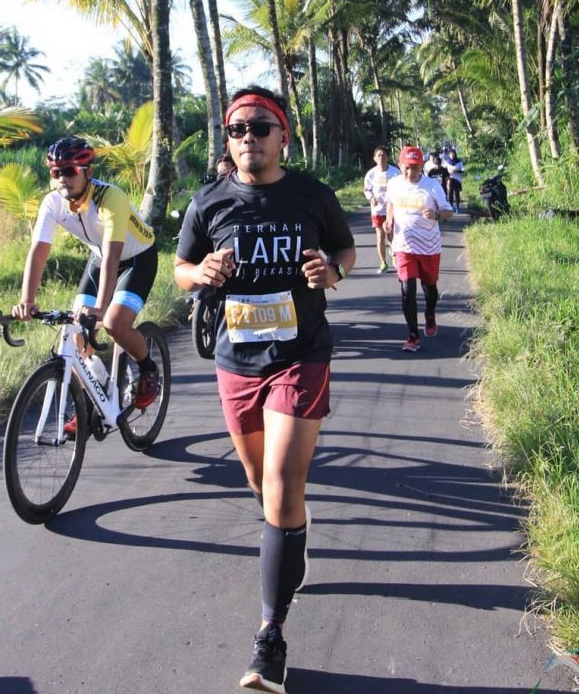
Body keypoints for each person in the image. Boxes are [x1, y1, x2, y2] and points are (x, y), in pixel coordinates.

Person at [174, 85, 355, 694]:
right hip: (237, 362)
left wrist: (333, 271)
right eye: (236, 129)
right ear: (228, 141)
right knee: (261, 486)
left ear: (282, 135)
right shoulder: (208, 201)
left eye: (259, 126)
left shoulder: (311, 195)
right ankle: (292, 541)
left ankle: (270, 637)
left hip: (300, 355)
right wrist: (199, 274)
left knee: (280, 482)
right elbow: (181, 269)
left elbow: (346, 249)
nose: (247, 137)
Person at [11, 136, 160, 414]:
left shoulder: (110, 197)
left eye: (69, 171)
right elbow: (39, 251)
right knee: (73, 330)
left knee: (115, 323)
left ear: (88, 173)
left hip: (136, 258)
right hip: (100, 258)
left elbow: (114, 256)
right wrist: (27, 300)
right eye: (56, 173)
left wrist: (101, 308)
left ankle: (148, 368)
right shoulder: (53, 202)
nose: (62, 179)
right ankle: (93, 400)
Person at [385, 145, 453, 352]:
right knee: (407, 289)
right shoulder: (394, 184)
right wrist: (388, 223)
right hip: (404, 245)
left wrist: (437, 215)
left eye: (415, 168)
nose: (410, 172)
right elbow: (390, 204)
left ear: (421, 166)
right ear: (399, 165)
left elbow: (448, 211)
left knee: (429, 287)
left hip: (429, 246)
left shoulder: (432, 186)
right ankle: (413, 335)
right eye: (406, 167)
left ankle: (430, 313)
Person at [363, 145, 401, 273]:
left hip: (392, 209)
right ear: (374, 158)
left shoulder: (395, 172)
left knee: (392, 235)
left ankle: (395, 256)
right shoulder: (371, 174)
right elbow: (367, 189)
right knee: (380, 237)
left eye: (383, 155)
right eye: (378, 155)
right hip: (378, 210)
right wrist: (371, 198)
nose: (381, 157)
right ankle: (383, 263)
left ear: (387, 157)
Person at [444, 147, 465, 213]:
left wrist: (456, 171)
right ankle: (450, 206)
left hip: (457, 179)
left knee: (457, 193)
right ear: (449, 155)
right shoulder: (447, 162)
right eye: (451, 154)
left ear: (455, 155)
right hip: (450, 178)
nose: (452, 156)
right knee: (450, 193)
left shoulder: (459, 162)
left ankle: (458, 207)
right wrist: (447, 173)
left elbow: (463, 170)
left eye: (453, 154)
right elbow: (444, 170)